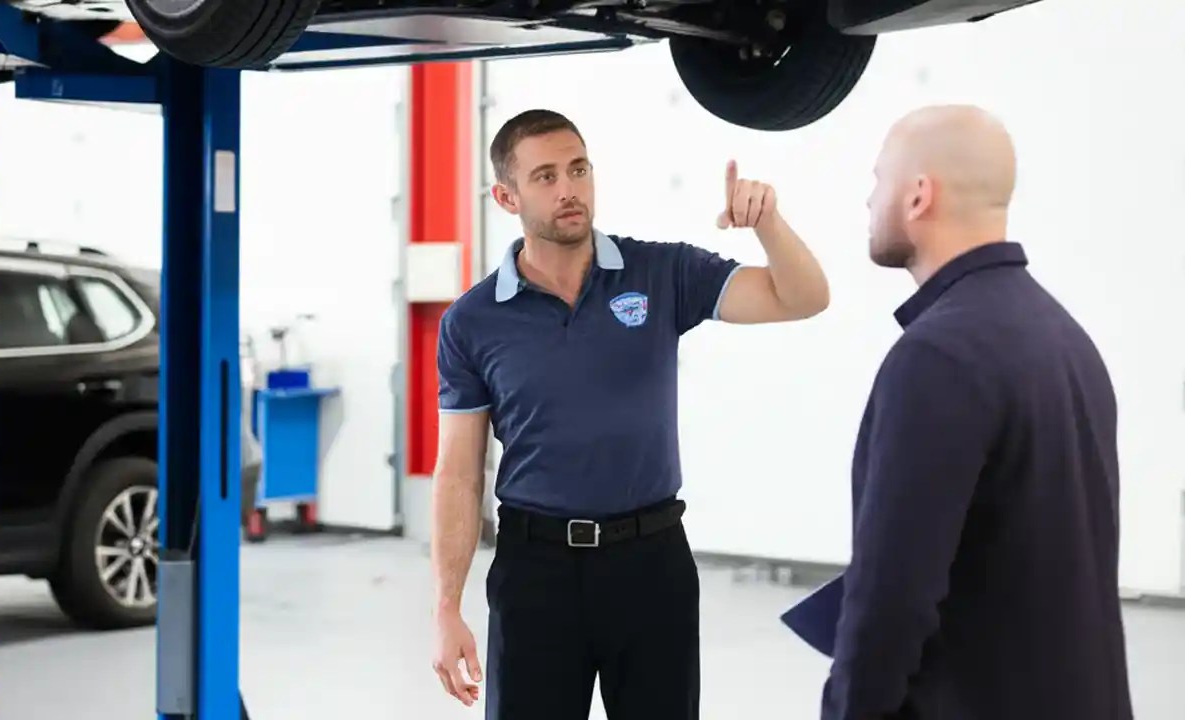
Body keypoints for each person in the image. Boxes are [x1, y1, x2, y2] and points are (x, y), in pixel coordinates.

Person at [429, 108, 829, 719]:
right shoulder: (472, 321)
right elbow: (458, 472)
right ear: (506, 197)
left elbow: (802, 298)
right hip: (536, 571)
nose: (568, 189)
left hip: (652, 562)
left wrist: (768, 224)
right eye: (545, 176)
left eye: (578, 169)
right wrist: (446, 607)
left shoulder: (661, 272)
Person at [822, 104, 1134, 720]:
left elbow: (893, 599)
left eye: (878, 180)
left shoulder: (937, 357)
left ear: (918, 196)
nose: (868, 202)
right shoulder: (1063, 335)